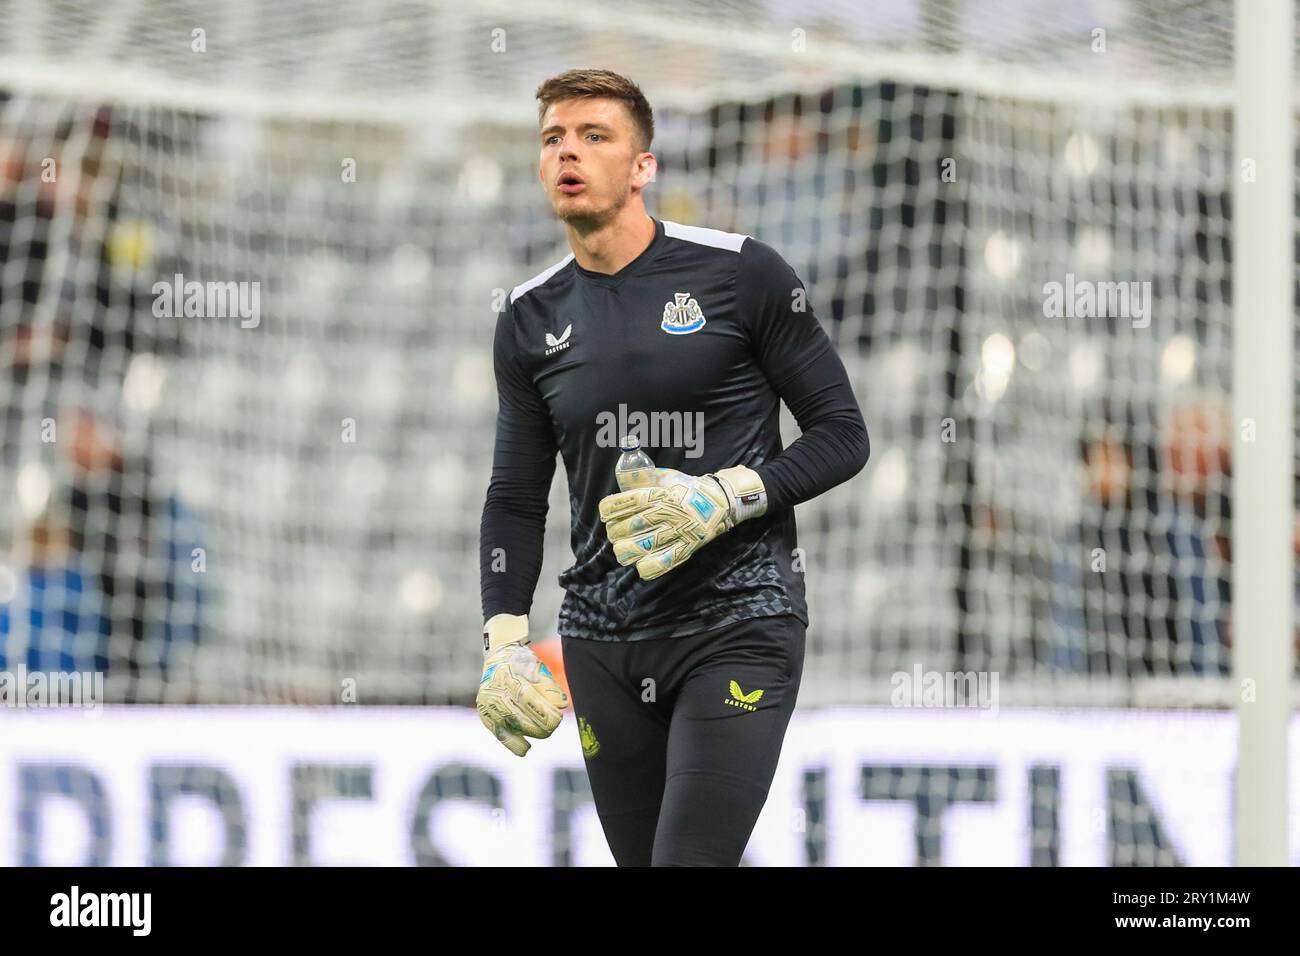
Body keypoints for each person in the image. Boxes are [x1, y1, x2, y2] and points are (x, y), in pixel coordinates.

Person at [476, 69, 870, 866]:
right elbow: (517, 496)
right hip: (604, 638)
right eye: (553, 138)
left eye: (595, 136)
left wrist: (726, 497)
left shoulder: (741, 273)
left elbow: (842, 434)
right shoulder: (527, 317)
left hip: (738, 623)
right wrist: (504, 640)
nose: (568, 153)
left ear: (644, 166)